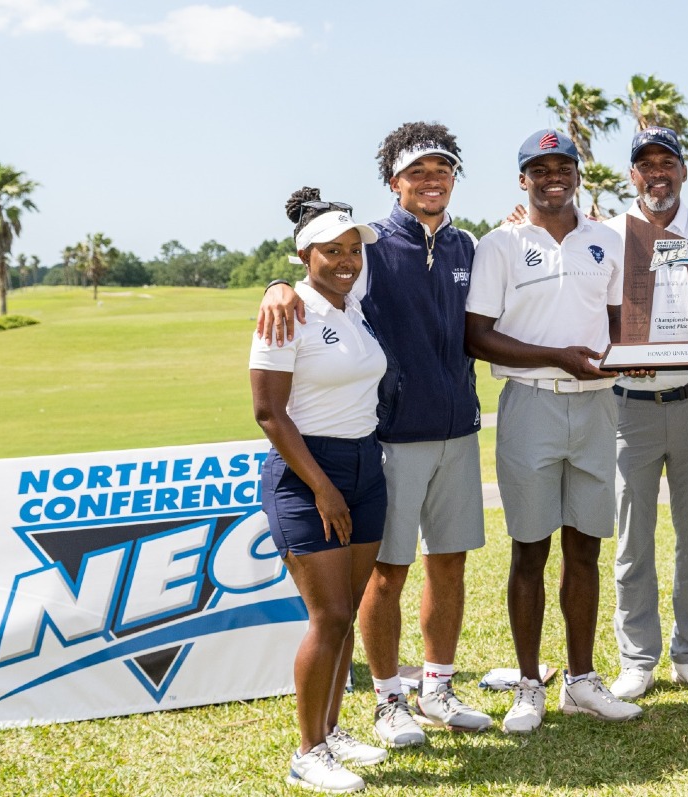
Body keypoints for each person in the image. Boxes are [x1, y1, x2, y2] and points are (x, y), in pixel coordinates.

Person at [257, 122, 491, 745]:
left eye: (441, 170)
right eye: (417, 172)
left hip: (459, 430)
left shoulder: (468, 245)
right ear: (395, 182)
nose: (431, 181)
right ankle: (389, 699)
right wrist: (274, 285)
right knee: (388, 572)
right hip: (390, 437)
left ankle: (437, 687)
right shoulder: (373, 246)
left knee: (450, 562)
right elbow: (314, 283)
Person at [464, 129, 641, 733]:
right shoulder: (501, 244)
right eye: (540, 168)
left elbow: (620, 325)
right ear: (523, 179)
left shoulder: (605, 240)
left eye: (563, 165)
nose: (553, 176)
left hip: (597, 406)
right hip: (531, 404)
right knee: (530, 550)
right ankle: (528, 685)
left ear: (577, 173)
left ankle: (583, 680)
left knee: (586, 547)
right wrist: (555, 357)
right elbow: (477, 334)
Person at [251, 188, 390, 793]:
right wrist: (323, 490)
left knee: (347, 608)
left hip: (365, 465)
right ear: (304, 255)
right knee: (329, 616)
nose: (346, 260)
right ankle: (307, 752)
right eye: (331, 250)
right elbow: (268, 413)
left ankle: (330, 733)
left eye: (353, 250)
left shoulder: (349, 304)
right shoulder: (287, 311)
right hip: (309, 472)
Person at [602, 127, 688, 701]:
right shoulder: (603, 235)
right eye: (645, 164)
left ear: (683, 170)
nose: (658, 173)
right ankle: (637, 657)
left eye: (667, 162)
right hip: (629, 406)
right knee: (633, 541)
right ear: (633, 175)